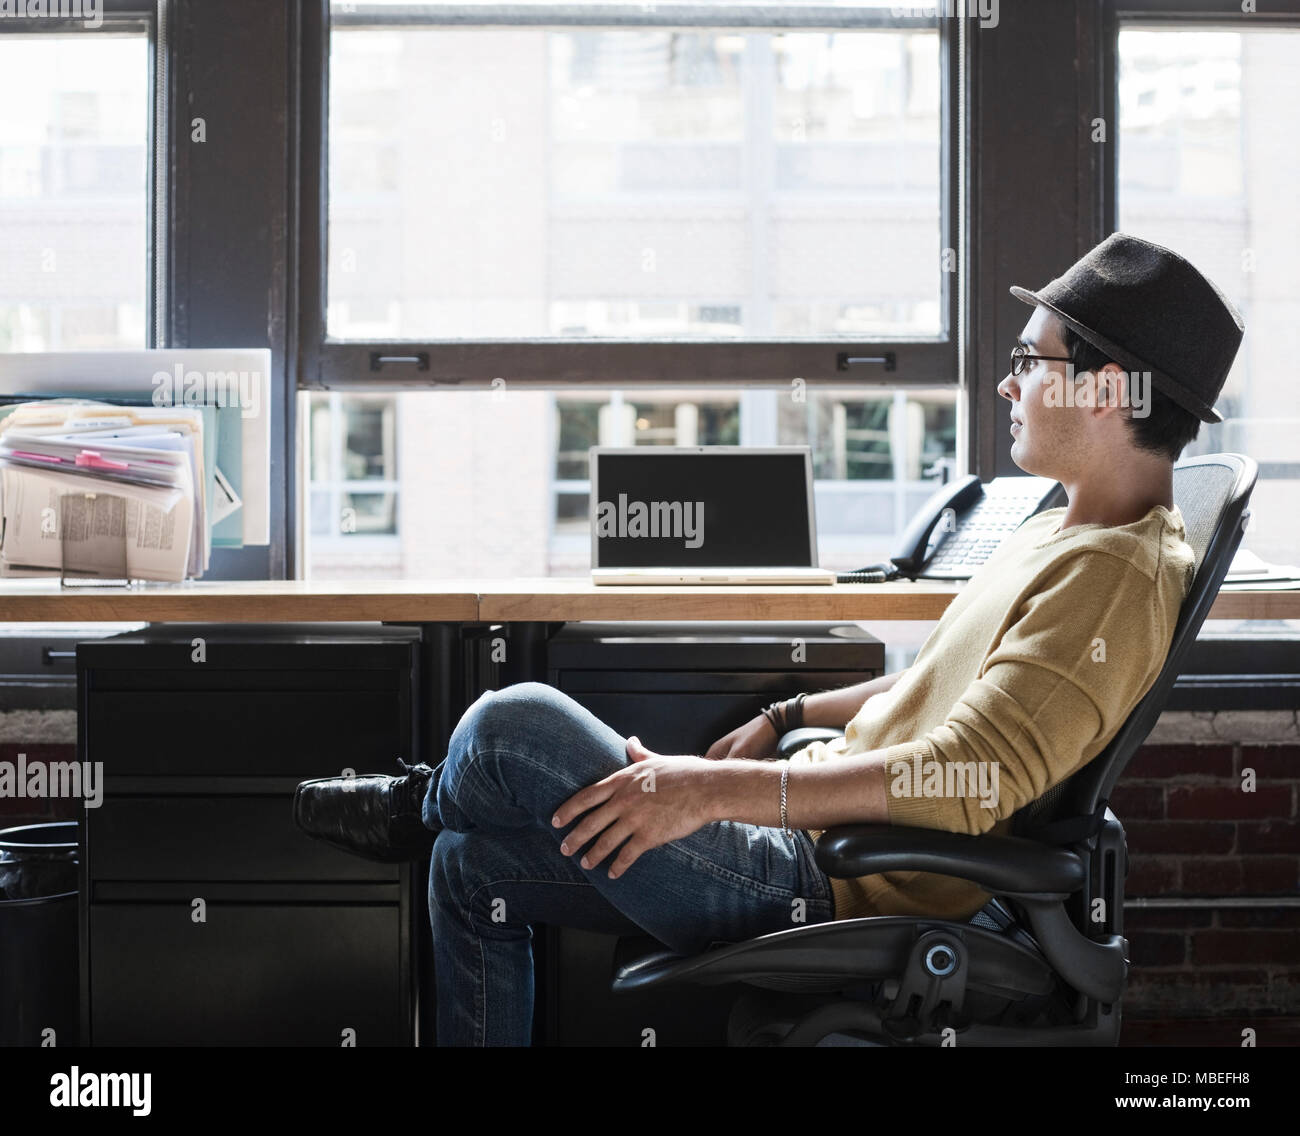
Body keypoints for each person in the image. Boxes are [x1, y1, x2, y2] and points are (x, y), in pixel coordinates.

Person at [293, 232, 1244, 1046]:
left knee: (514, 723)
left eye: (1033, 361)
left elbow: (968, 780)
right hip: (809, 829)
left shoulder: (1112, 577)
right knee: (474, 867)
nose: (1008, 380)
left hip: (835, 878)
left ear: (1109, 387)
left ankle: (418, 803)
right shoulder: (1060, 527)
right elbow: (927, 694)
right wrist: (785, 713)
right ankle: (432, 814)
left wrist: (710, 792)